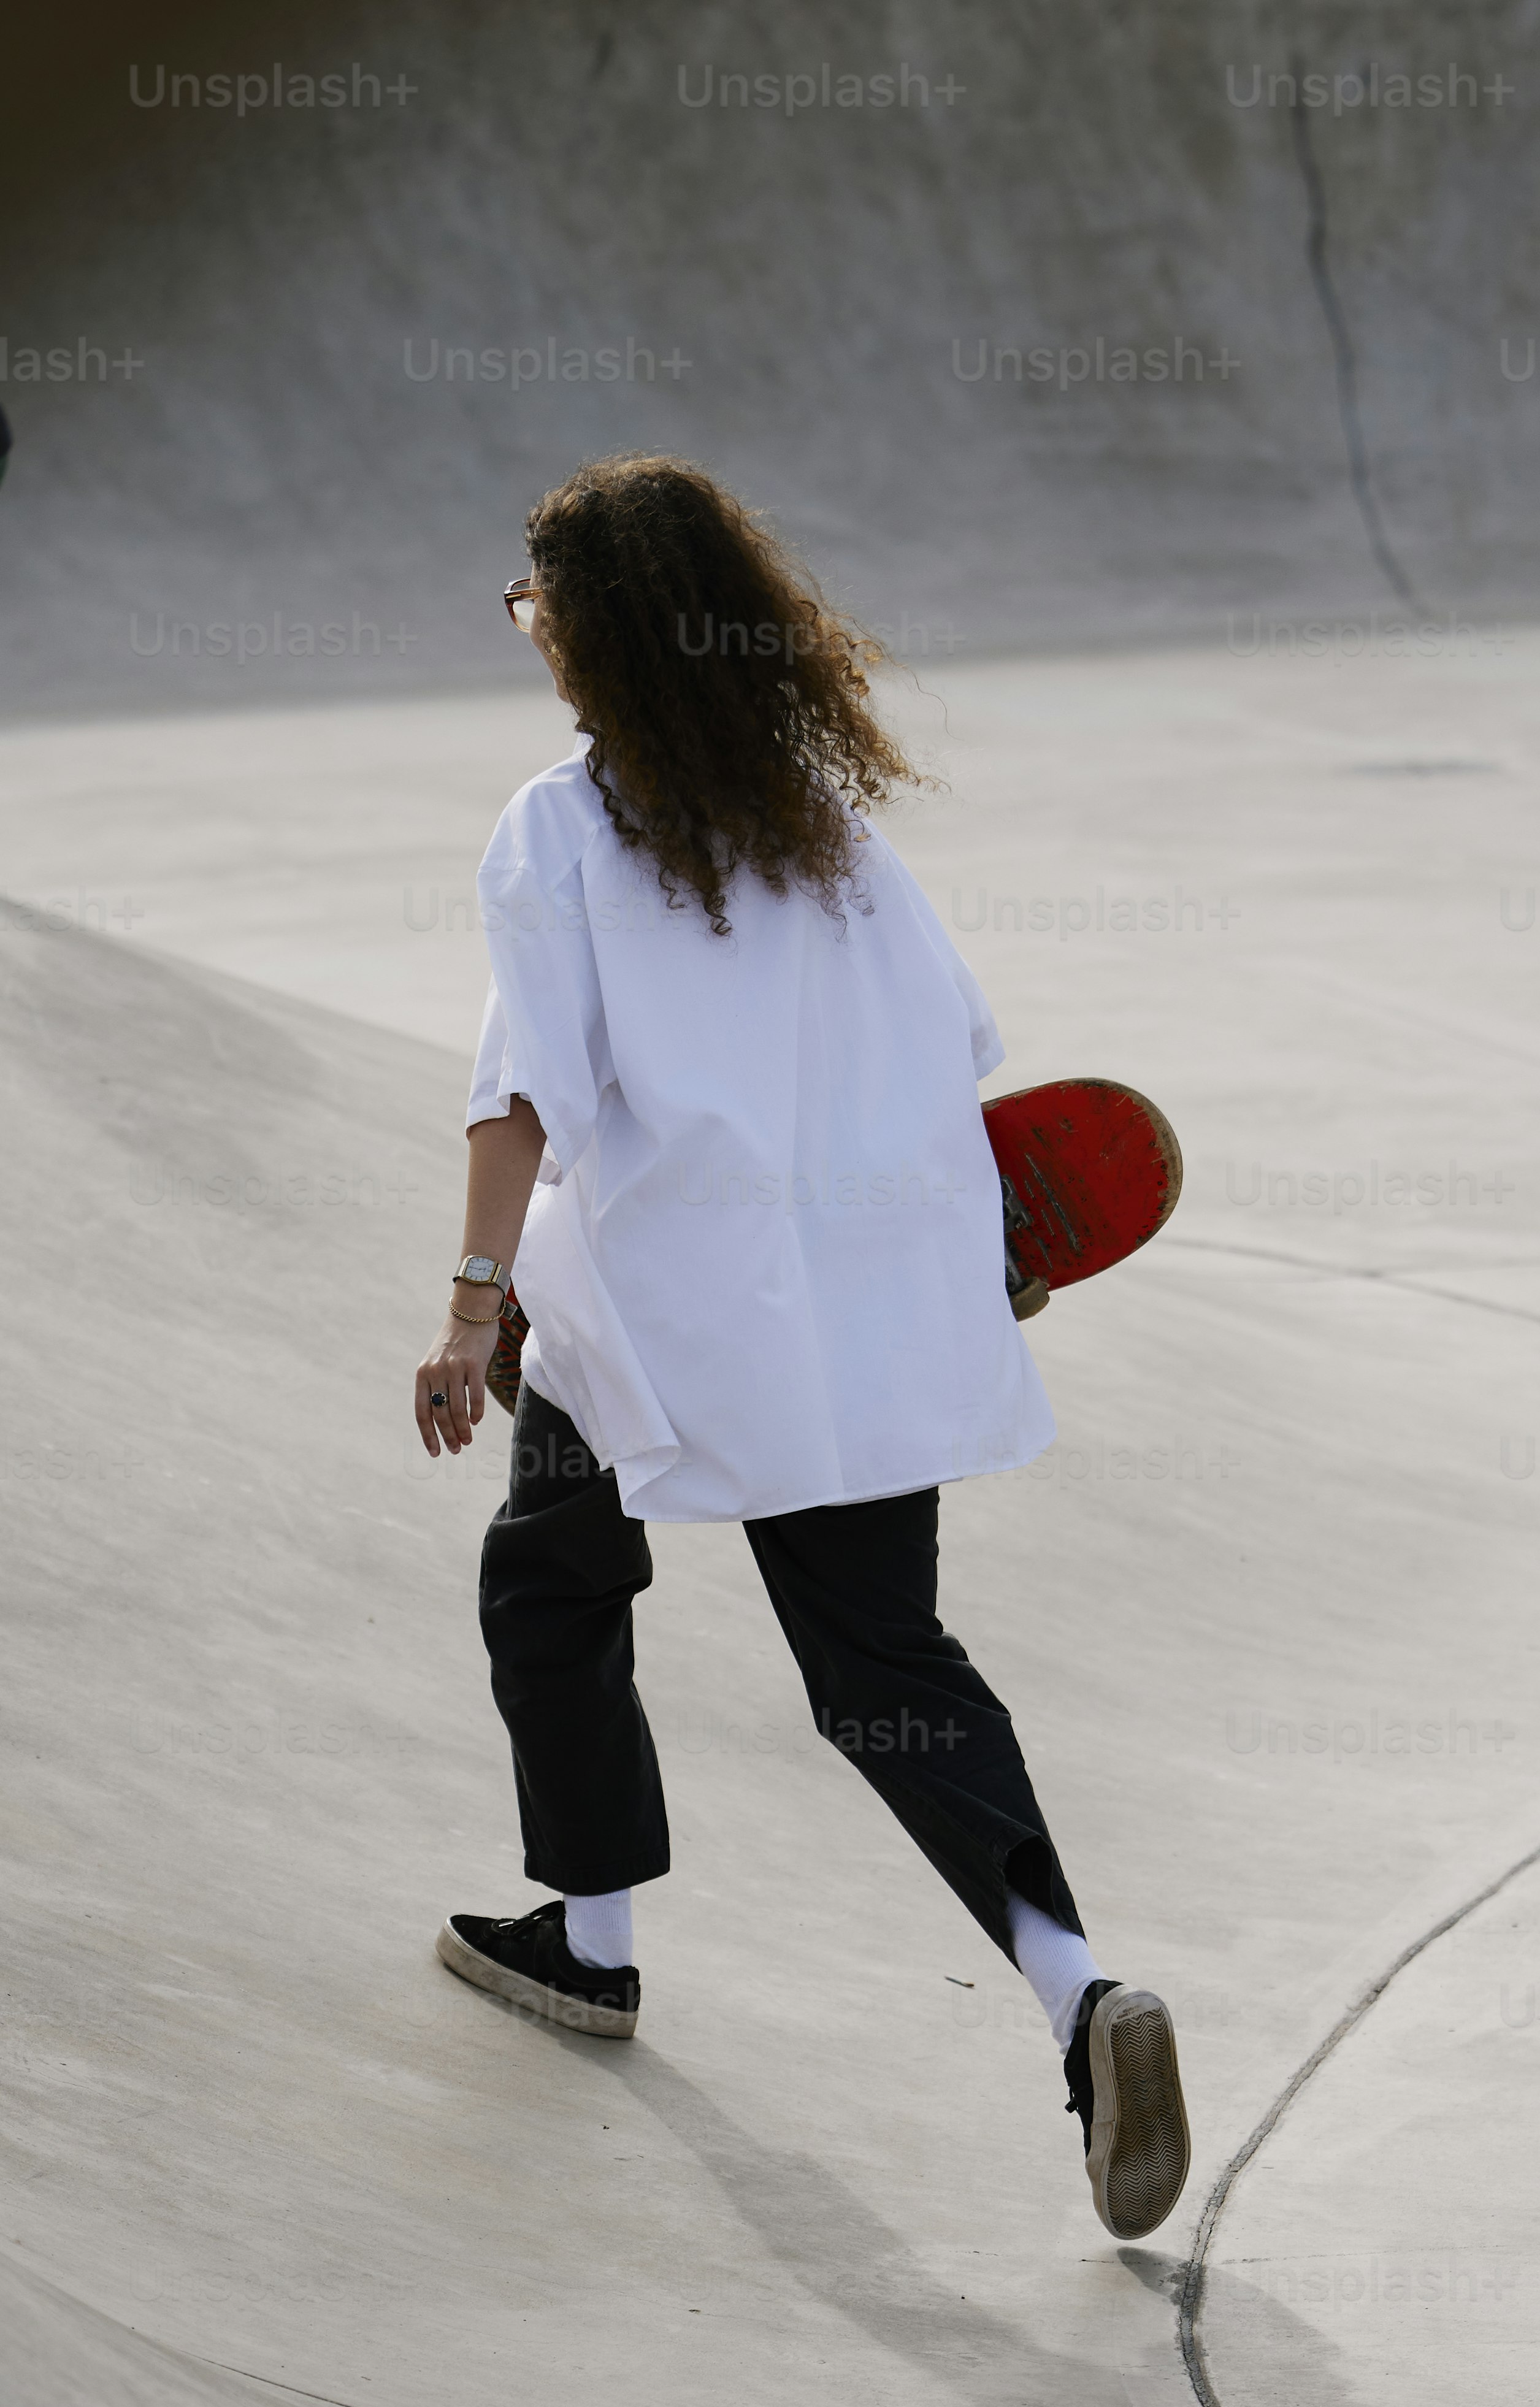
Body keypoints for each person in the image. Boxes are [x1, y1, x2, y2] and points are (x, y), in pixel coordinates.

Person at [414, 454, 1190, 2243]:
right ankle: (1082, 1995)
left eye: (536, 607)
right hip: (861, 1314)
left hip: (661, 1316)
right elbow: (960, 1054)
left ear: (591, 635)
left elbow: (523, 1095)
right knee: (882, 1671)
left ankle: (596, 1944)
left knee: (551, 1581)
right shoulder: (831, 834)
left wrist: (469, 1312)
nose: (528, 636)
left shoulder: (557, 828)